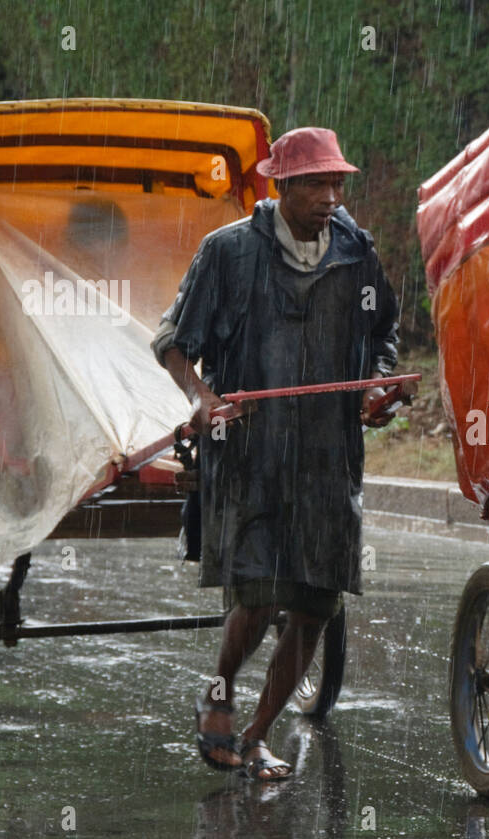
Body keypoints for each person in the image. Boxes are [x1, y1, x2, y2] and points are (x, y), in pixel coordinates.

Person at [153, 128, 399, 780]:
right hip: (249, 456)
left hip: (328, 458)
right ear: (280, 186)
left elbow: (383, 339)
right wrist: (202, 395)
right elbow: (174, 343)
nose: (332, 196)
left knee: (316, 605)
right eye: (317, 184)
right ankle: (221, 694)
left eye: (337, 183)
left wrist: (378, 388)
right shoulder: (228, 253)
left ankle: (257, 734)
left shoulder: (355, 253)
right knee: (258, 597)